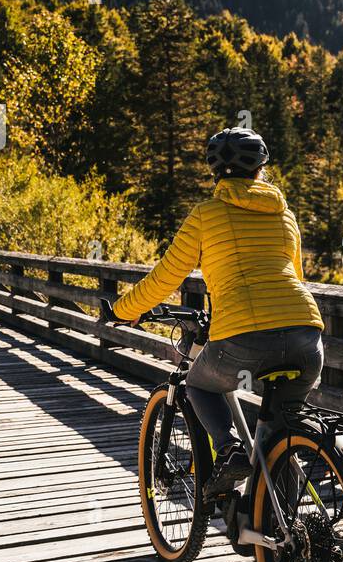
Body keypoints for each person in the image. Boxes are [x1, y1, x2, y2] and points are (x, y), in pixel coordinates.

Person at [112, 127, 325, 497]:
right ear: (262, 169)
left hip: (242, 336)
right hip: (305, 332)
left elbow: (166, 277)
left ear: (215, 171)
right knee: (279, 431)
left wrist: (122, 309)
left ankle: (228, 450)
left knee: (198, 384)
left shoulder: (206, 214)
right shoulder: (284, 215)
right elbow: (296, 278)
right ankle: (288, 541)